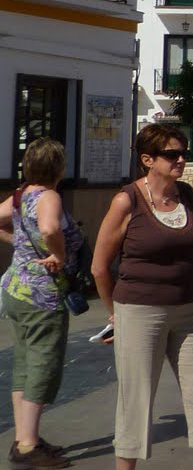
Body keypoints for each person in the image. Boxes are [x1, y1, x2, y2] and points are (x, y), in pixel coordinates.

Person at [91, 124, 193, 470]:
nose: (181, 159)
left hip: (190, 309)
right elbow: (99, 268)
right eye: (171, 154)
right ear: (148, 159)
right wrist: (115, 314)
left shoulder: (187, 196)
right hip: (139, 310)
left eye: (183, 153)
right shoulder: (127, 200)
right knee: (136, 400)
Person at [0, 139, 81, 467]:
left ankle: (24, 438)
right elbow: (49, 228)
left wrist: (17, 241)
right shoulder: (49, 196)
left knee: (24, 363)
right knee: (42, 366)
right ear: (58, 167)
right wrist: (58, 256)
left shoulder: (21, 195)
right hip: (42, 296)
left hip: (17, 290)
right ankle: (28, 445)